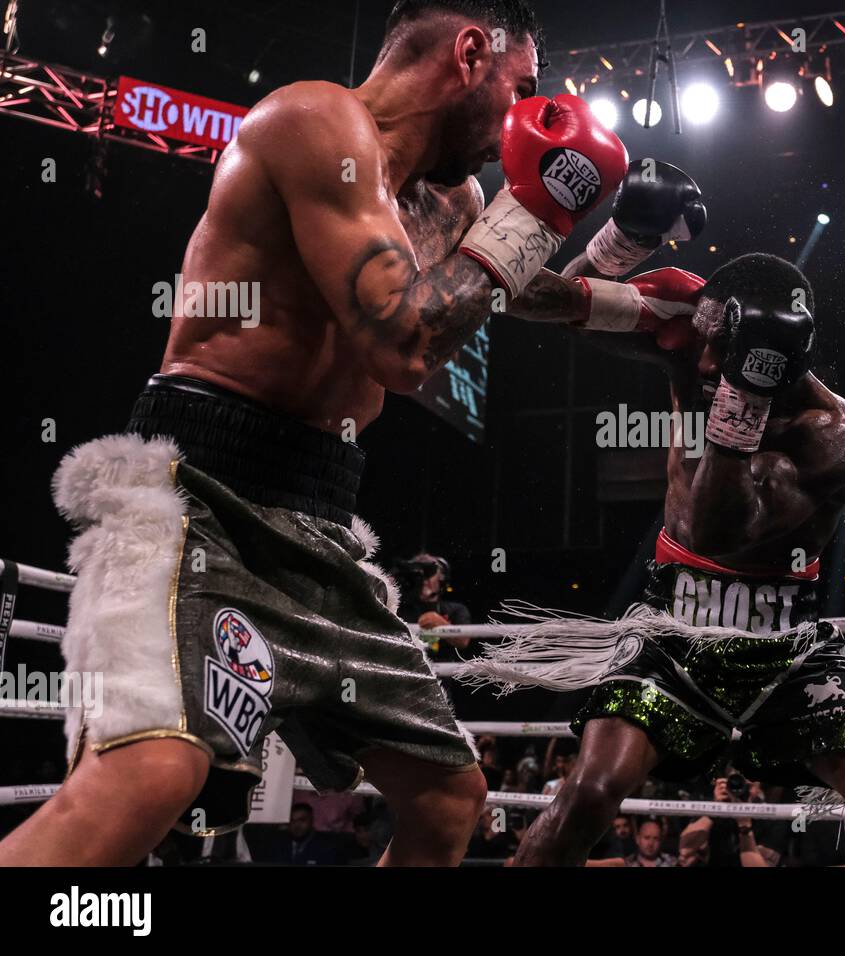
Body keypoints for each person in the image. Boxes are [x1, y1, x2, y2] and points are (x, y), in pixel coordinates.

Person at [0, 0, 631, 867]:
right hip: (201, 493)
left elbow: (510, 289)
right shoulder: (313, 121)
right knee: (150, 775)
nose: (518, 121)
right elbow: (403, 345)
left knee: (448, 799)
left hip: (320, 510)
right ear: (470, 52)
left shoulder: (454, 199)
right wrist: (538, 210)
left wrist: (638, 291)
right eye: (521, 87)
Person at [469, 247, 845, 866]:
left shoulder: (827, 438)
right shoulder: (698, 333)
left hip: (785, 648)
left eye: (724, 355)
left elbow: (716, 531)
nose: (702, 361)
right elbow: (537, 300)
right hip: (673, 627)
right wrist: (615, 244)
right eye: (703, 340)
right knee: (590, 794)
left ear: (773, 363)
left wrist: (740, 403)